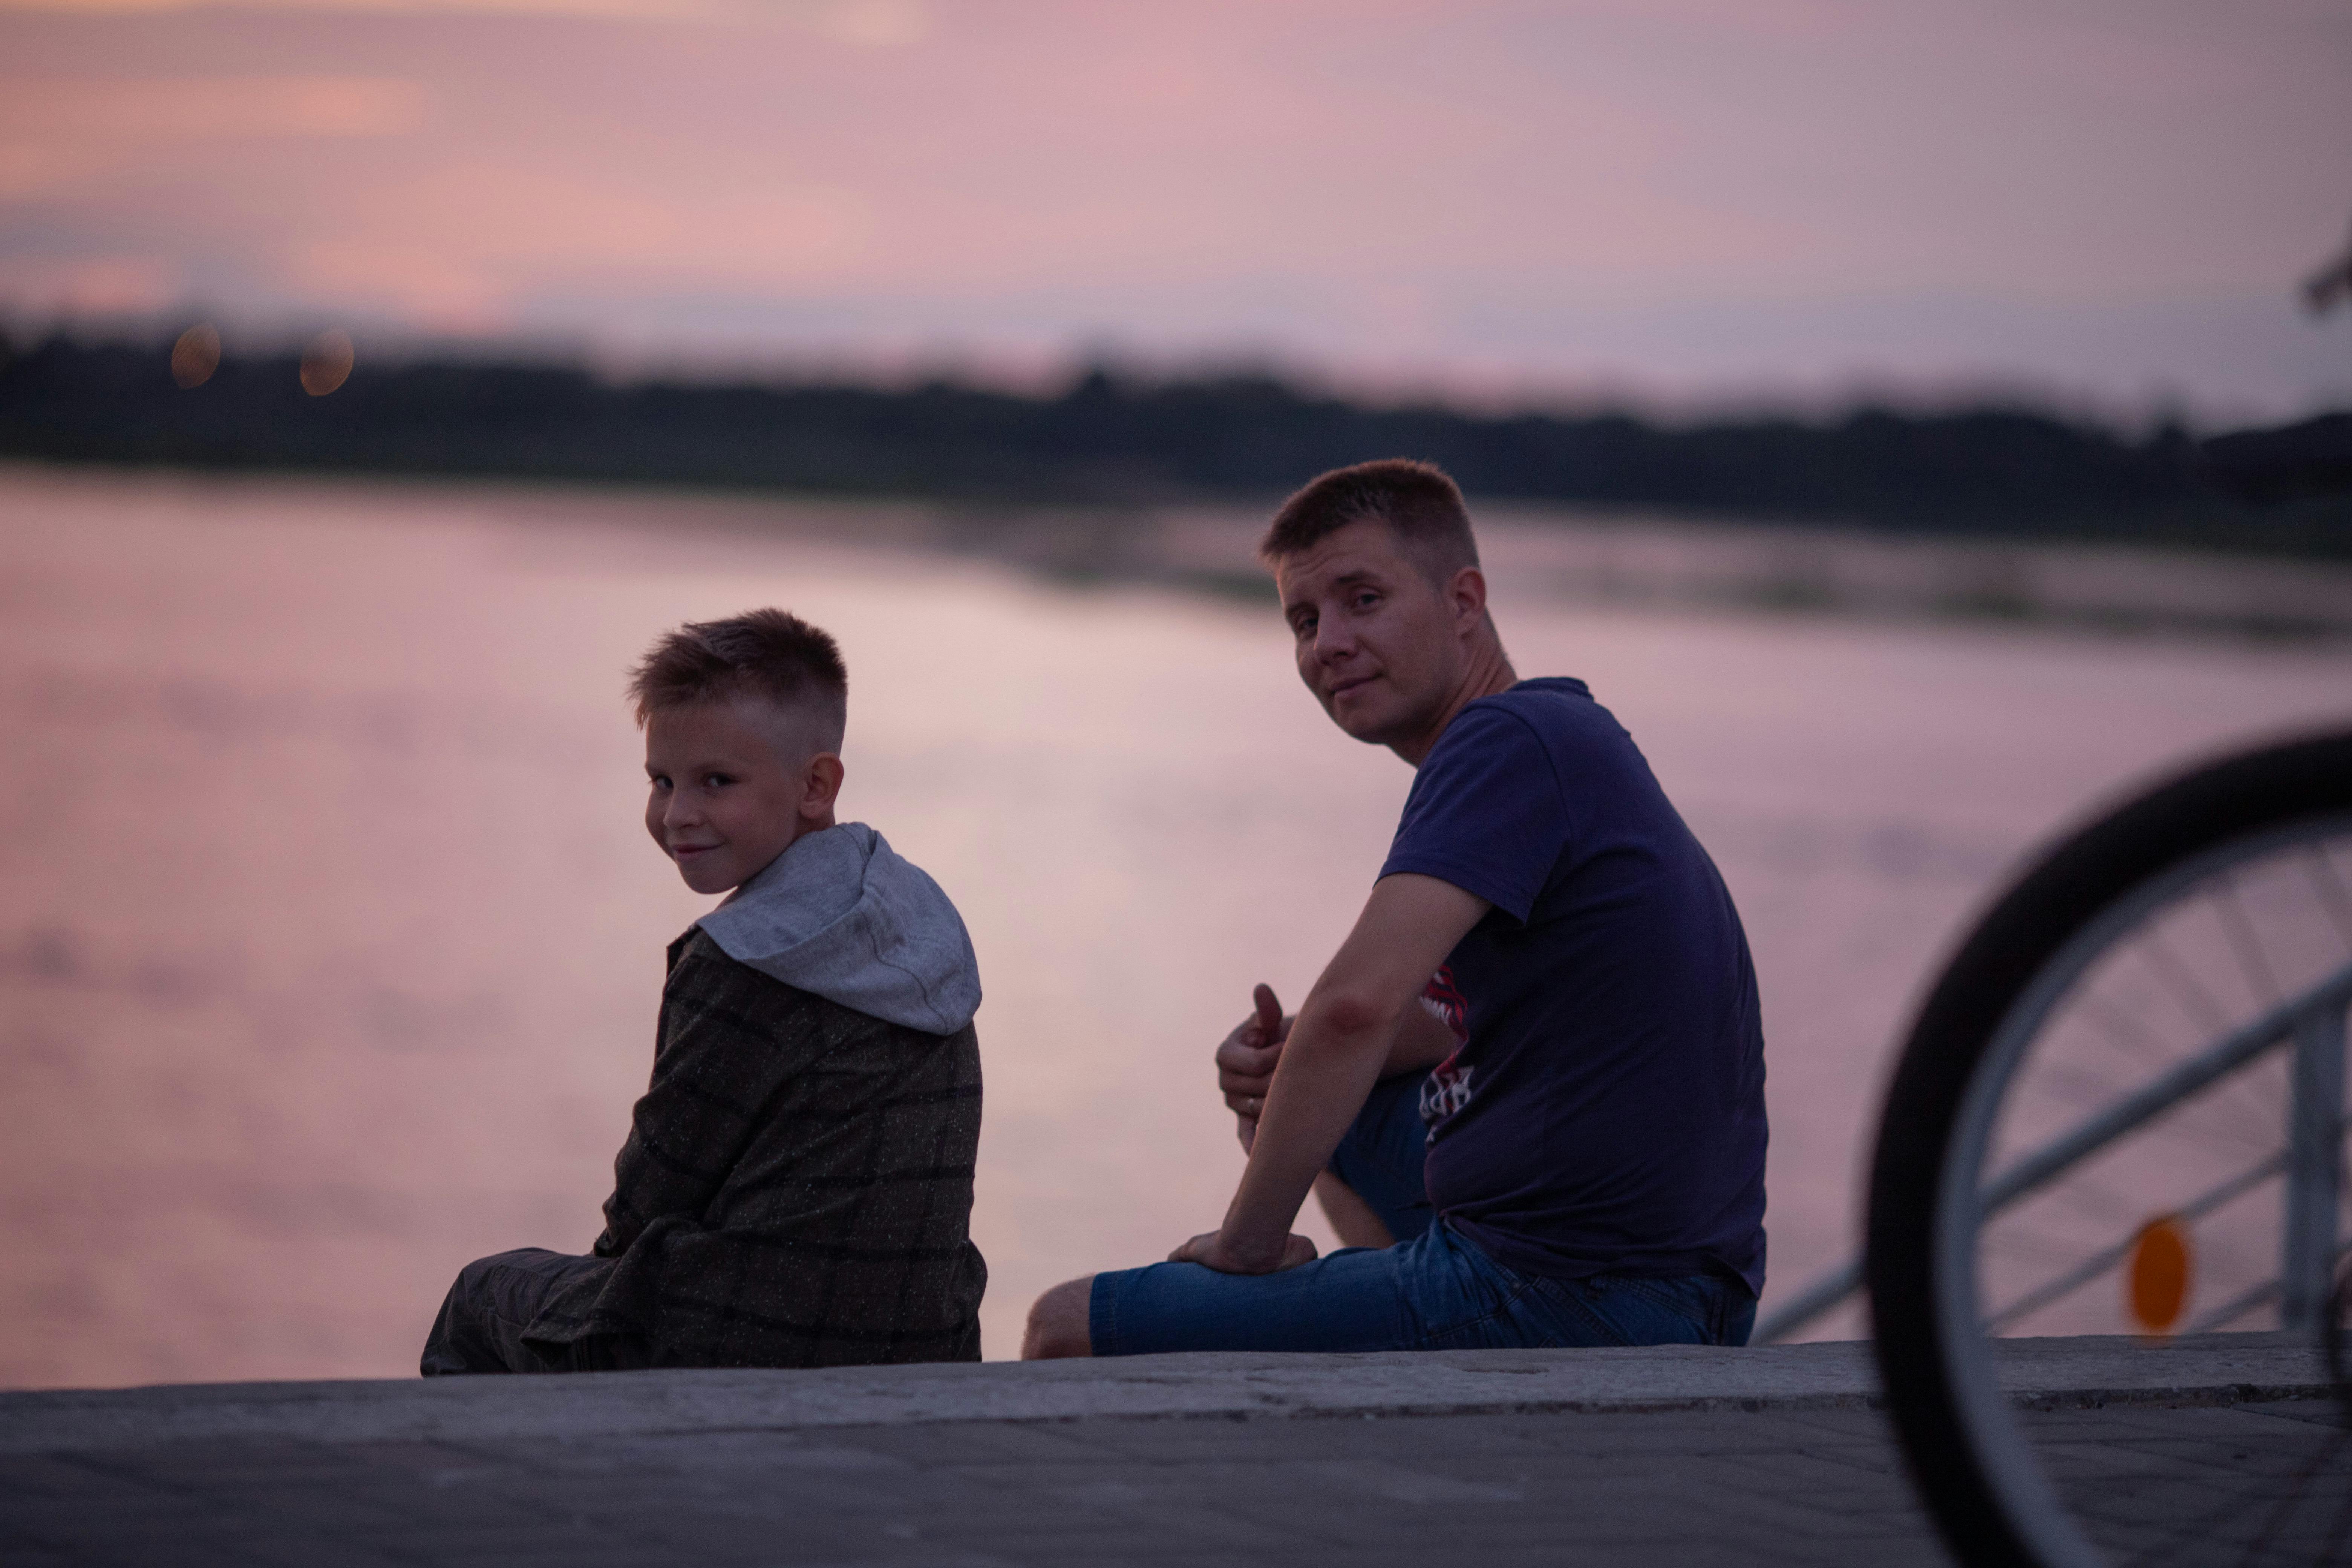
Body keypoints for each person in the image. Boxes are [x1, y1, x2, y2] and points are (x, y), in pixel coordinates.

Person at [1023, 460, 1766, 1358]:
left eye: (1363, 600)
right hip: (1677, 1282)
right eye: (1305, 621)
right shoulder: (1554, 737)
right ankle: (1404, 1358)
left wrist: (1246, 1245)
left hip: (1581, 1292)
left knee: (1064, 1327)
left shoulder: (1503, 742)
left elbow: (1356, 1010)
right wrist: (1286, 1065)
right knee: (1327, 1109)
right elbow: (1419, 1021)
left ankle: (1410, 1354)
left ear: (1464, 601)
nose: (1328, 644)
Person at [421, 608, 986, 1374]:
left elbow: (653, 1191)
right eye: (661, 781)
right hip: (925, 1340)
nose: (678, 814)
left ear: (816, 785)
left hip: (744, 1342)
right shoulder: (922, 926)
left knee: (484, 1294)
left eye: (717, 782)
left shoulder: (744, 959)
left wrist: (596, 1299)